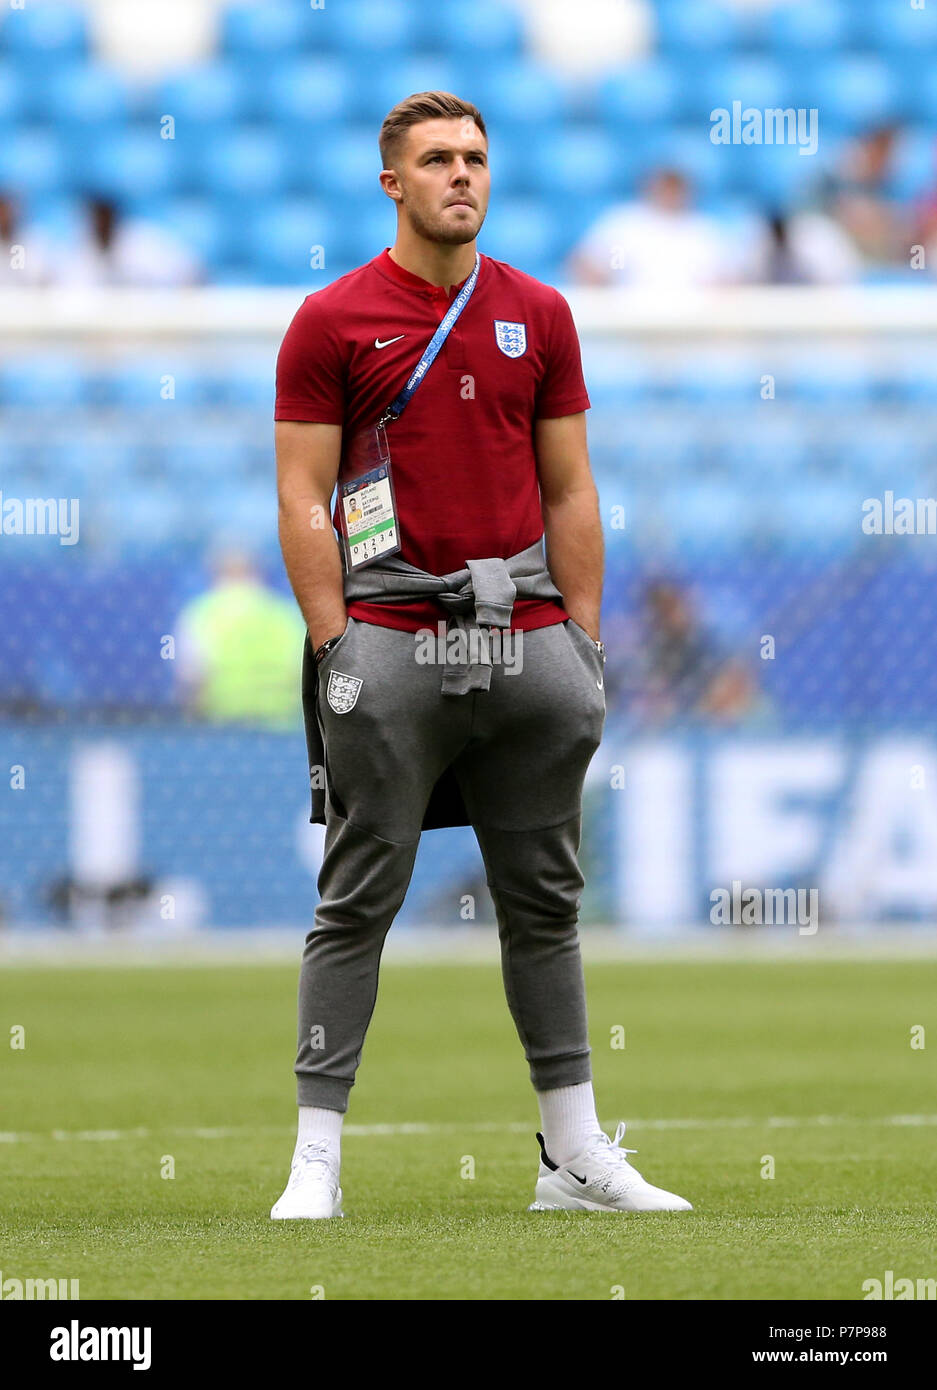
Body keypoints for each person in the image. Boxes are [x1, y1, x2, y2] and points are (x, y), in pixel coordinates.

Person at [271, 90, 691, 1219]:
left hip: (527, 634)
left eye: (474, 157)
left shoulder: (541, 313)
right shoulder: (330, 320)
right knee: (358, 897)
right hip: (393, 632)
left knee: (545, 900)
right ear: (391, 182)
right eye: (436, 159)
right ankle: (316, 1162)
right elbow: (304, 495)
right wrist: (333, 640)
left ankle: (573, 1157)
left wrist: (585, 641)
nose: (461, 174)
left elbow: (570, 487)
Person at [174, 548, 307, 729]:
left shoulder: (199, 614)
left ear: (214, 573)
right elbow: (304, 674)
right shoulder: (287, 614)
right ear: (257, 572)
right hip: (281, 729)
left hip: (222, 729)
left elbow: (191, 681)